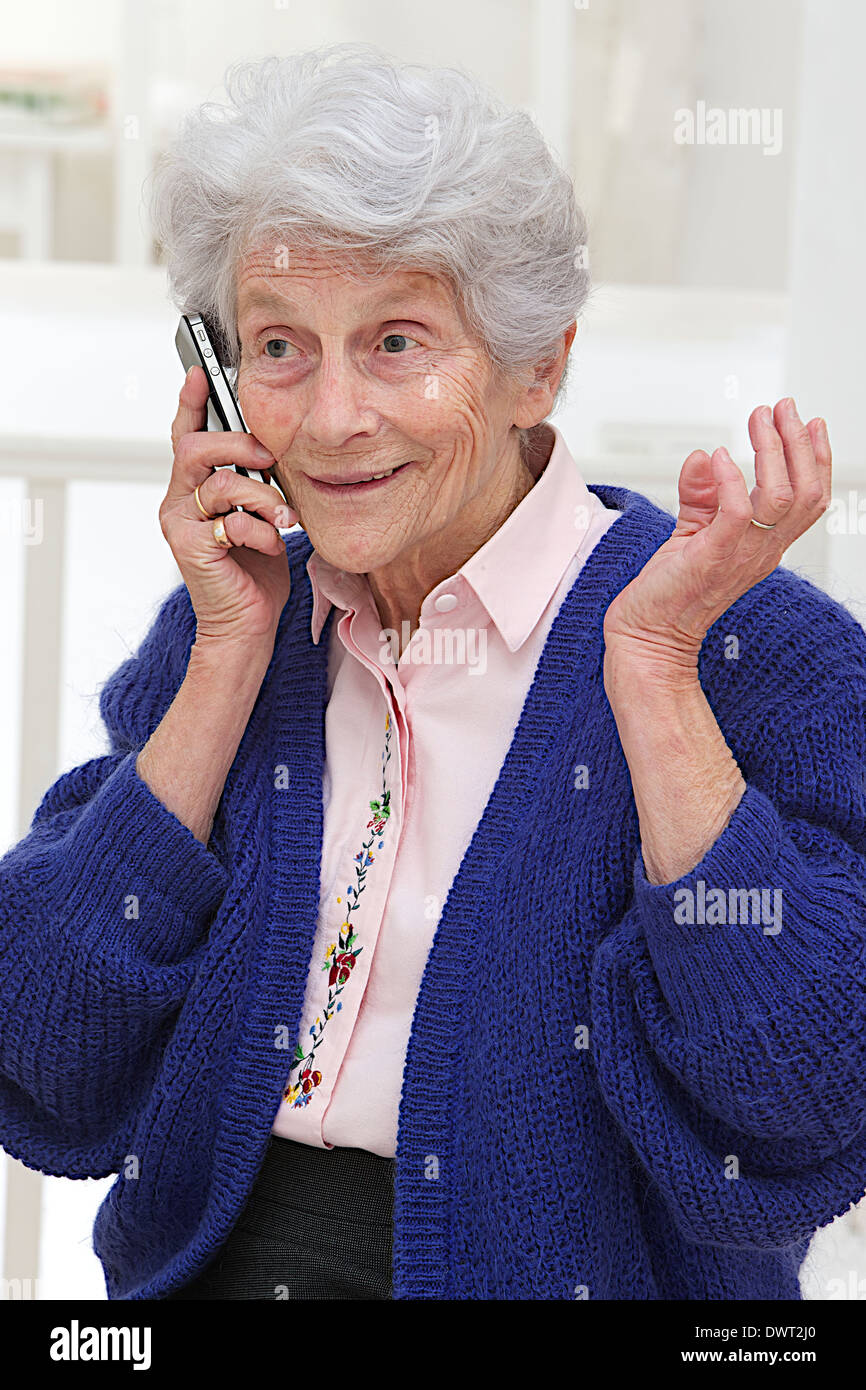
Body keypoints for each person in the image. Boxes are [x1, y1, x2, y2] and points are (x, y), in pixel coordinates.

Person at [2, 43, 865, 1301]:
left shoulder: (737, 640)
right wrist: (226, 665)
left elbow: (806, 1096)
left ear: (537, 366)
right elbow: (41, 1045)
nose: (336, 415)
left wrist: (655, 669)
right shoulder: (230, 627)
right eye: (282, 347)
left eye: (397, 340)